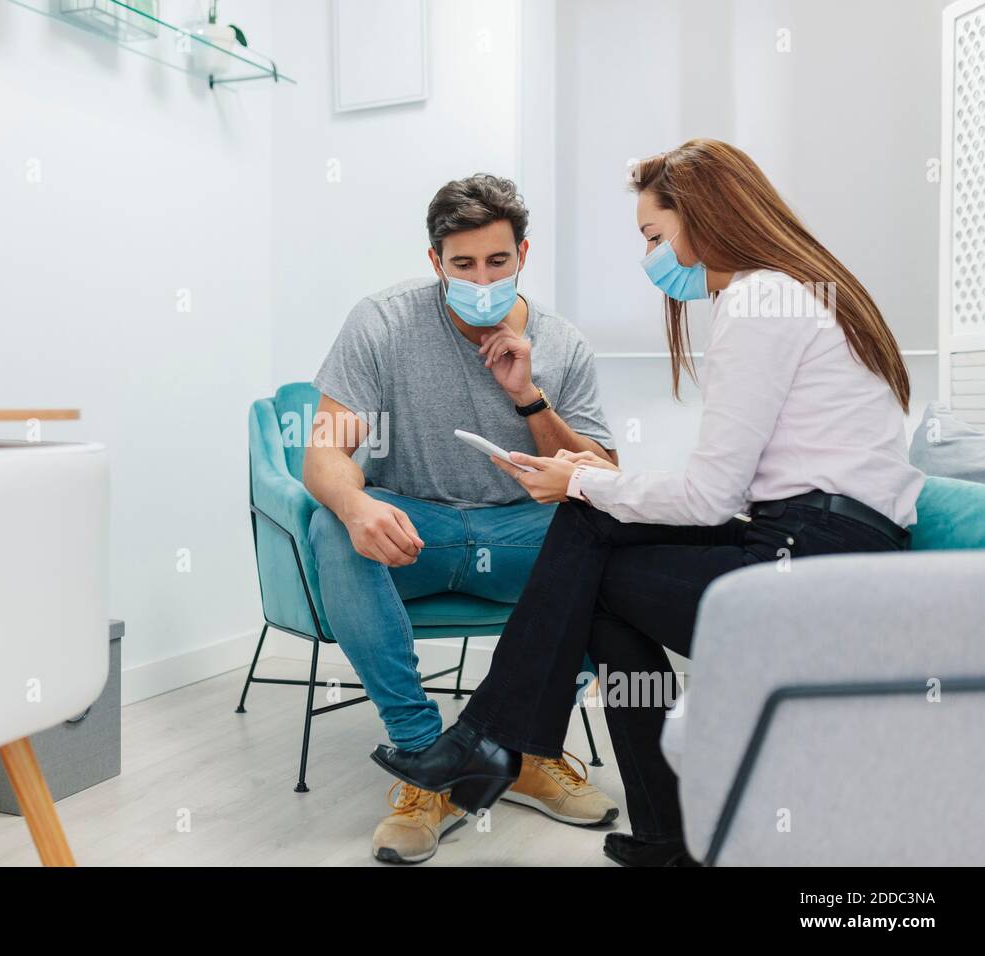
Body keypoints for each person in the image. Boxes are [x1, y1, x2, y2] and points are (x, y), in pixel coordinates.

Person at [371, 139, 925, 867]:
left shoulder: (759, 300)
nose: (649, 257)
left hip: (814, 569)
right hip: (819, 542)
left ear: (704, 218)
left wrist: (578, 479)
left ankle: (493, 744)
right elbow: (725, 490)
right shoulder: (790, 290)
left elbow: (710, 496)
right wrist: (590, 483)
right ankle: (613, 806)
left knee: (589, 540)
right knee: (592, 532)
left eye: (654, 236)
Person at [304, 173, 618, 864]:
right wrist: (356, 503)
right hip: (419, 532)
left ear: (523, 255)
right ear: (435, 262)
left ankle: (526, 750)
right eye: (463, 264)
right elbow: (324, 449)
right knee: (330, 523)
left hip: (518, 533)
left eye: (497, 261)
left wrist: (530, 398)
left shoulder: (562, 344)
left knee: (611, 538)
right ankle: (429, 759)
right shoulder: (382, 322)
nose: (482, 279)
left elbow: (603, 476)